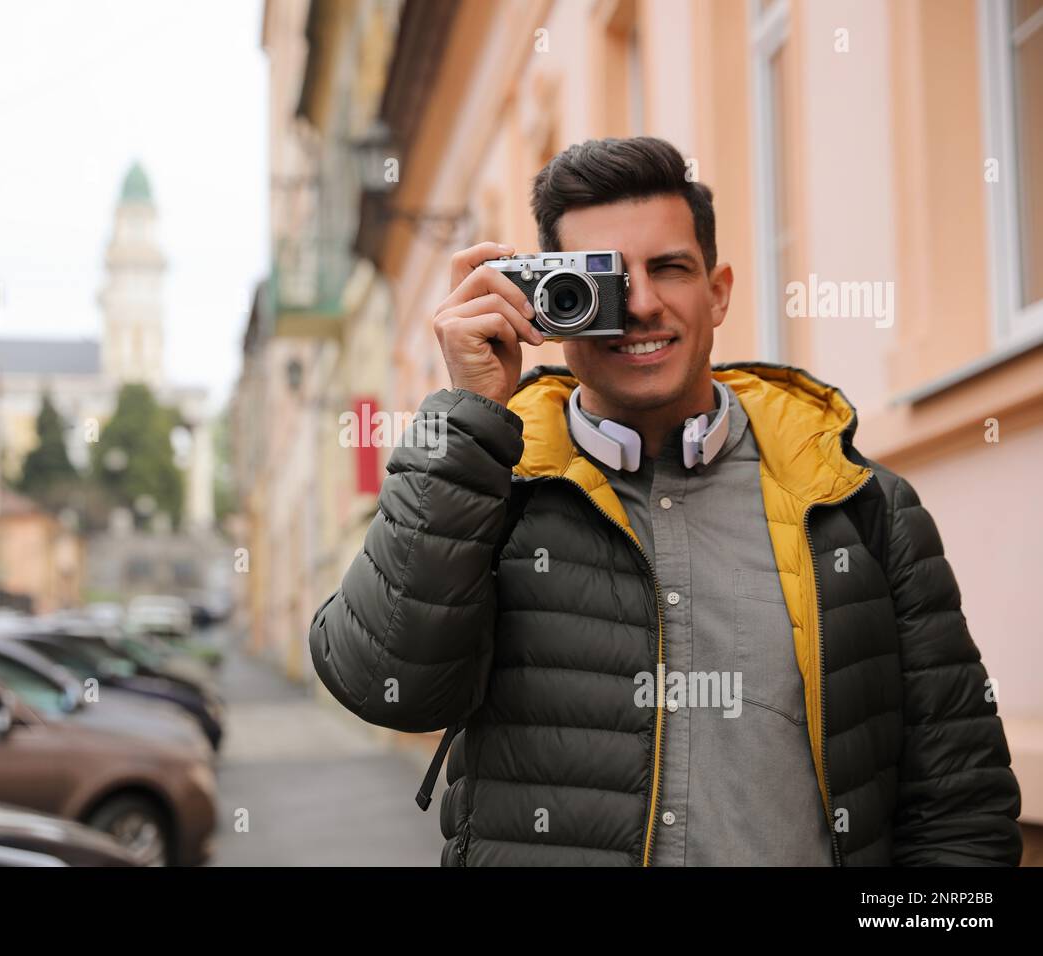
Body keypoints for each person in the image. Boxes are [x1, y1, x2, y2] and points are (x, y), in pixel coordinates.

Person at [307, 136, 1022, 866]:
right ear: (543, 306)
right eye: (604, 280)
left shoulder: (861, 509)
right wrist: (464, 416)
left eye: (670, 269)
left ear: (718, 292)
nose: (641, 305)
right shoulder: (492, 490)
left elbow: (961, 804)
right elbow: (385, 688)